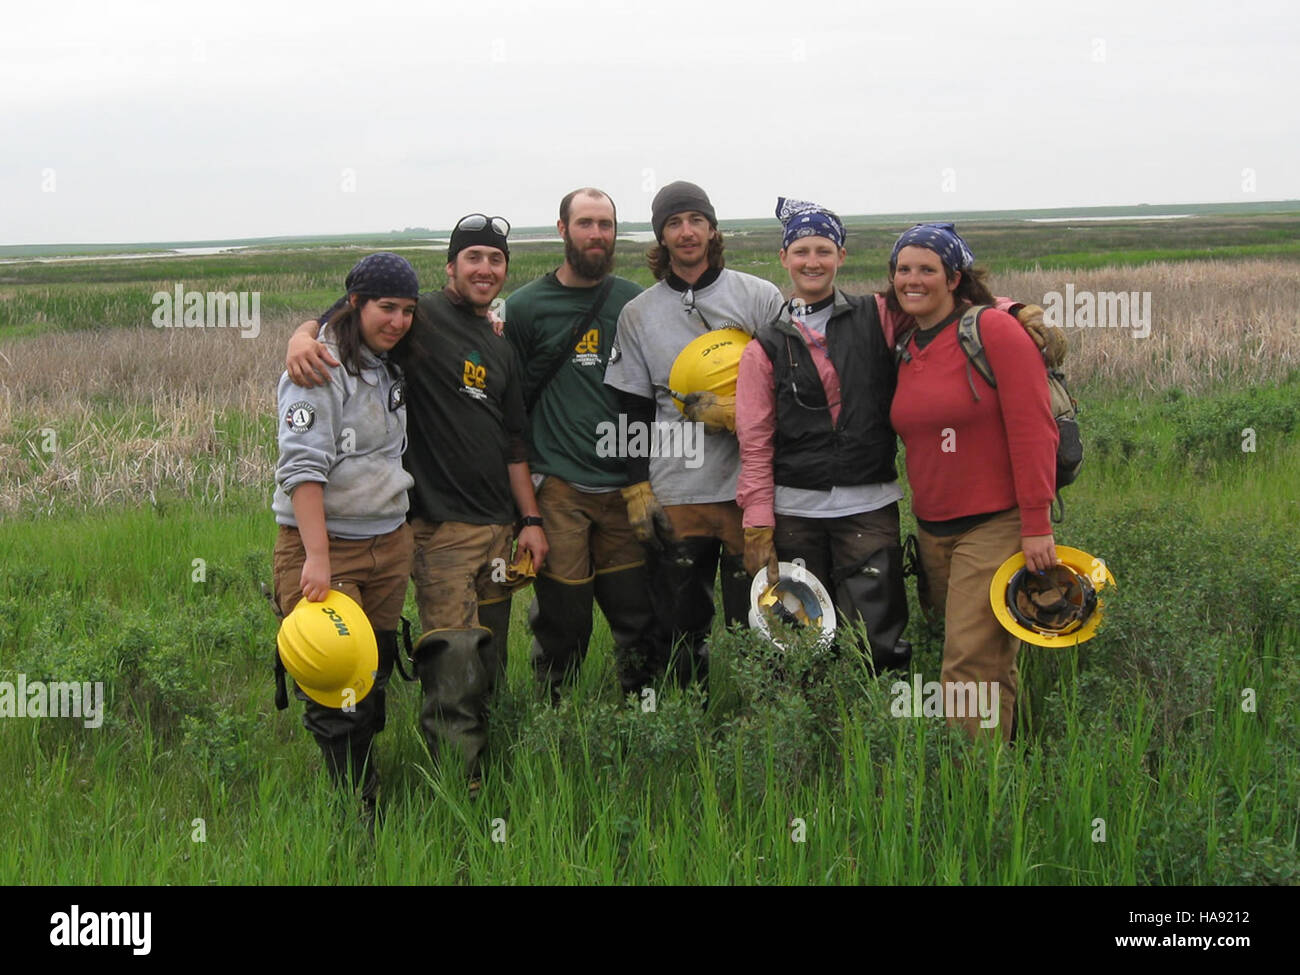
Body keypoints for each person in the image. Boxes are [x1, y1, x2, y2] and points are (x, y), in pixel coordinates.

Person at [285, 215, 547, 789]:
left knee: (487, 656)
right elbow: (346, 308)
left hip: (497, 528)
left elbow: (513, 440)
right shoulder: (418, 315)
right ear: (449, 266)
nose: (485, 269)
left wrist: (529, 518)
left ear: (506, 269)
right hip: (436, 528)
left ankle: (484, 758)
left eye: (496, 259)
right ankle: (459, 782)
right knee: (448, 659)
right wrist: (302, 335)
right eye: (472, 257)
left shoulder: (496, 344)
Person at [604, 180, 784, 690]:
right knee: (678, 627)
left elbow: (794, 384)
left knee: (757, 621)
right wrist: (635, 486)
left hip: (746, 493)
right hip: (675, 488)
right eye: (674, 223)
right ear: (661, 236)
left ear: (712, 228)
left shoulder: (759, 296)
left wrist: (738, 411)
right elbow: (631, 407)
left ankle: (767, 722)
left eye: (695, 221)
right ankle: (686, 722)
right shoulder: (638, 313)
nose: (686, 232)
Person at [887, 223, 1058, 741]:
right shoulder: (903, 341)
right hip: (934, 528)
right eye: (902, 269)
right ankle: (1012, 762)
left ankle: (972, 793)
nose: (912, 279)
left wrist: (1036, 524)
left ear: (954, 276)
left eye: (926, 269)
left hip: (995, 525)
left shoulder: (993, 331)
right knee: (985, 655)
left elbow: (1034, 429)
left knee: (964, 666)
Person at [272, 252, 420, 817]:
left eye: (407, 310)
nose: (398, 321)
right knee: (335, 678)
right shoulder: (315, 369)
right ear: (355, 306)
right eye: (386, 308)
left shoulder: (389, 362)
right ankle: (356, 805)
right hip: (327, 547)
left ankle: (366, 773)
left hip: (389, 542)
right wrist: (316, 556)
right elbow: (302, 468)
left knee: (372, 669)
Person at [502, 188, 665, 702]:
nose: (597, 234)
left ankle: (644, 715)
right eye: (586, 223)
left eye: (606, 224)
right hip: (559, 489)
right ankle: (557, 717)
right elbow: (509, 406)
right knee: (563, 618)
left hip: (626, 489)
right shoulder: (526, 308)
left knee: (636, 616)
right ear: (562, 230)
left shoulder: (635, 302)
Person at [735, 198, 911, 671]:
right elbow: (754, 441)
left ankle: (880, 726)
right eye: (801, 251)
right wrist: (757, 521)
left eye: (824, 250)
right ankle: (808, 734)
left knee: (878, 635)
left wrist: (1012, 310)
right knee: (800, 638)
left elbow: (946, 303)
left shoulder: (879, 315)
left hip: (869, 505)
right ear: (784, 258)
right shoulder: (764, 345)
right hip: (795, 514)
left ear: (841, 257)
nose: (812, 262)